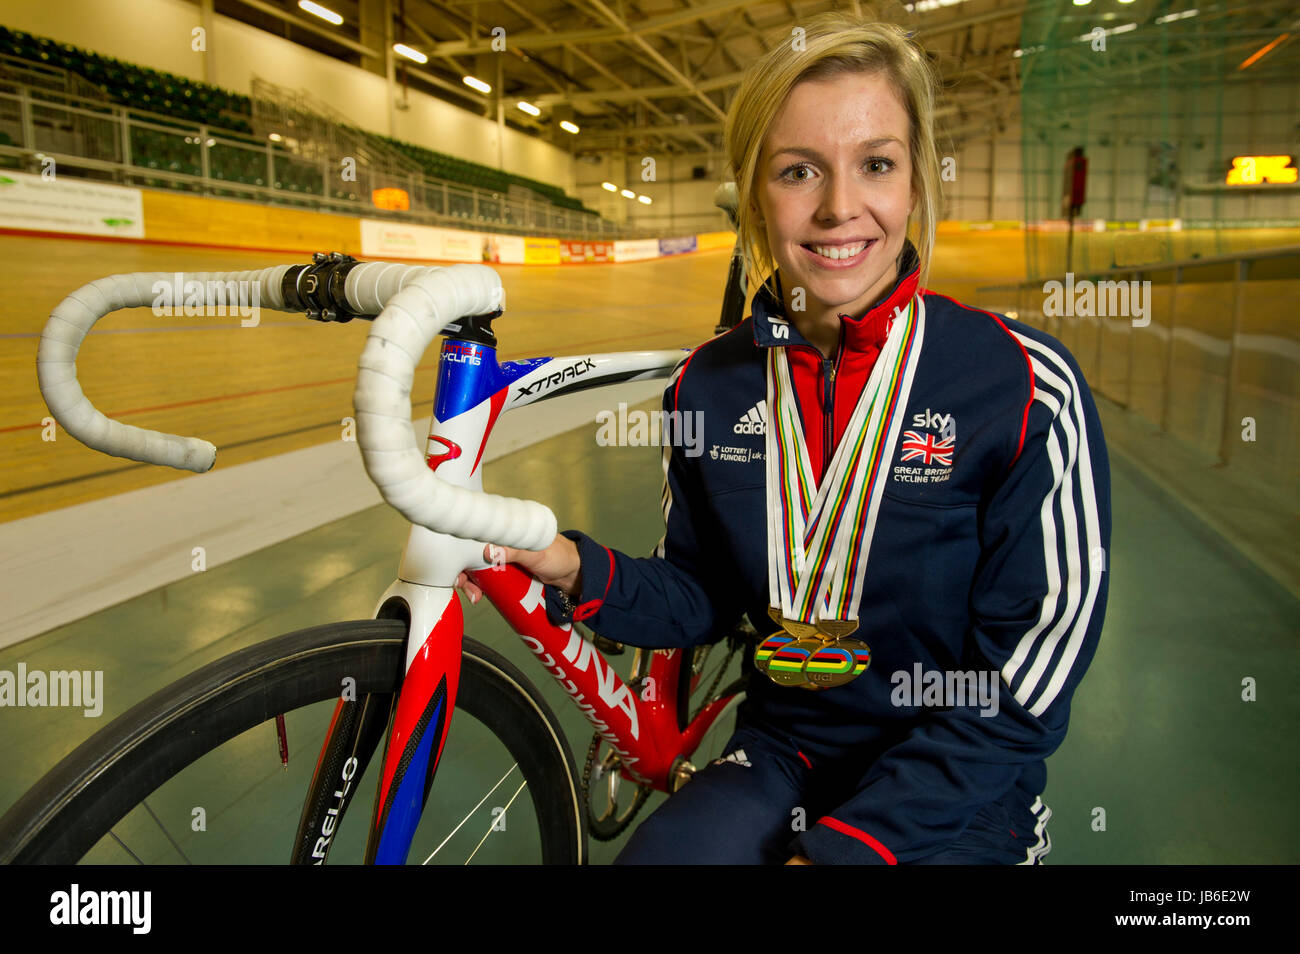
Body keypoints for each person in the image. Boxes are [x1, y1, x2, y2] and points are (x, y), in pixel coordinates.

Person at [456, 11, 1110, 865]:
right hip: (784, 751)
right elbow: (701, 596)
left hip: (955, 779)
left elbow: (1026, 683)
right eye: (799, 171)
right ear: (757, 193)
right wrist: (574, 566)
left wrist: (850, 849)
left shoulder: (1022, 384)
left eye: (875, 163)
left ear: (915, 184)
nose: (840, 207)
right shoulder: (709, 384)